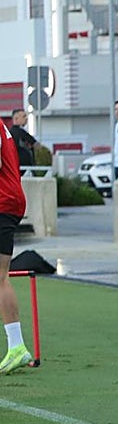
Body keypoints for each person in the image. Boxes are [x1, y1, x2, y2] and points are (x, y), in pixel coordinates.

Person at [0, 121, 32, 374]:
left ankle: (17, 346)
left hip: (3, 203)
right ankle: (16, 346)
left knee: (0, 278)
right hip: (8, 201)